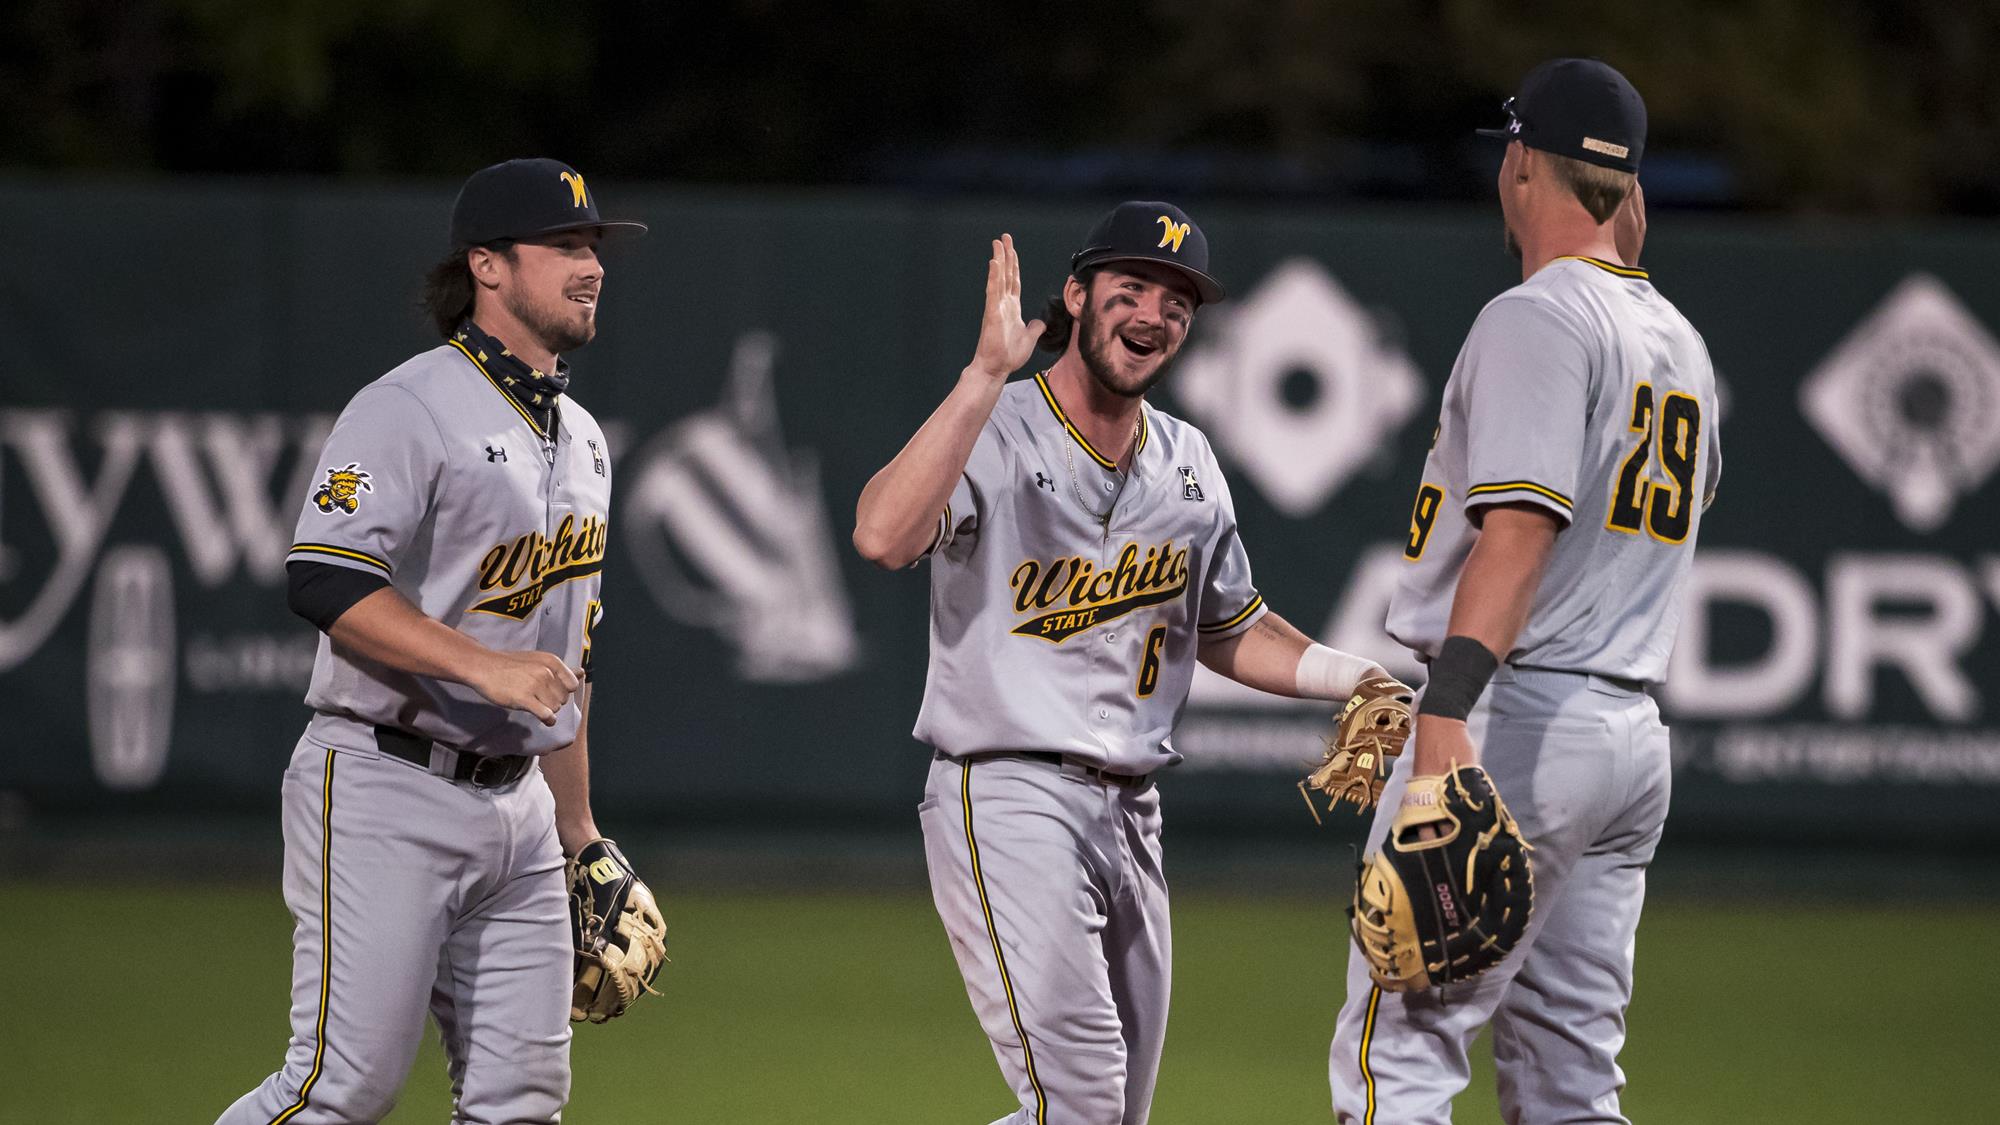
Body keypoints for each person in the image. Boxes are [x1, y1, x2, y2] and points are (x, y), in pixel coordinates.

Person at [855, 201, 1400, 1125]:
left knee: (1109, 1116)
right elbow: (881, 533)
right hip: (1010, 788)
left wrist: (1353, 675)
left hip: (1133, 811)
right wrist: (983, 376)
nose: (1154, 315)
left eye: (1178, 303)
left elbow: (1228, 624)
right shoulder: (996, 424)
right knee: (1082, 1100)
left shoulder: (1188, 458)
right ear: (1076, 296)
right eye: (1132, 289)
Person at [217, 158, 657, 1124]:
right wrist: (480, 663)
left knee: (521, 1100)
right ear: (487, 266)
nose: (590, 266)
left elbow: (563, 661)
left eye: (594, 247)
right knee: (340, 1088)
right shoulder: (408, 405)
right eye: (563, 246)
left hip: (521, 815)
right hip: (383, 782)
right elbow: (324, 578)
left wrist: (579, 834)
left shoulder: (584, 437)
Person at [1329, 59, 1721, 1124]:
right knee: (1569, 1083)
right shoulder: (1677, 343)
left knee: (1394, 1058)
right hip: (1626, 739)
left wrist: (1445, 711)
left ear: (1516, 167)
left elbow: (1518, 532)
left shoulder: (1535, 318)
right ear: (1626, 191)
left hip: (1514, 716)